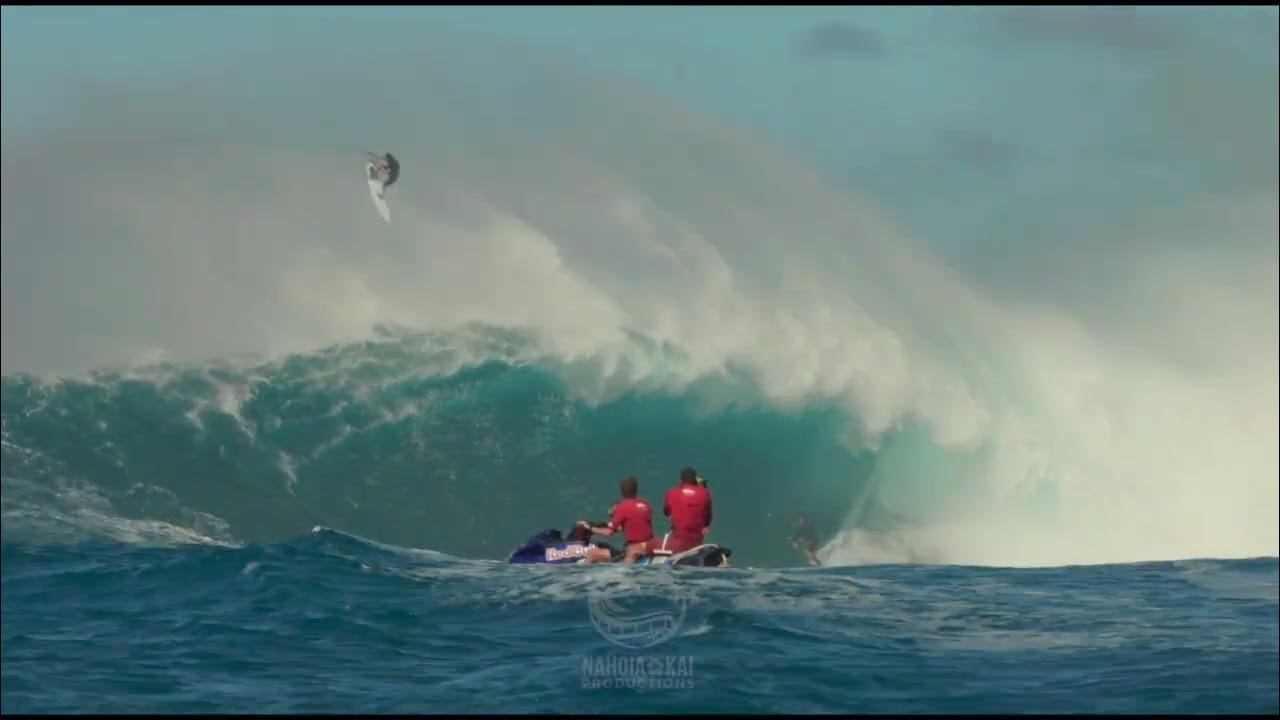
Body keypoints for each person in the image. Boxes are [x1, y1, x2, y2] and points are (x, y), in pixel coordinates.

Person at [579, 475, 655, 564]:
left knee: (591, 554)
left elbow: (608, 532)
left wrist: (591, 528)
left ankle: (589, 577)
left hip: (633, 549)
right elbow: (637, 524)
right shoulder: (646, 504)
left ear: (622, 491)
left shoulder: (622, 507)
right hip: (650, 545)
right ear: (636, 490)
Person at [660, 466, 713, 554]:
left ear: (680, 481)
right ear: (695, 480)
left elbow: (666, 512)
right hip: (697, 542)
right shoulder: (705, 494)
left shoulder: (672, 493)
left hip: (678, 543)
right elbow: (707, 519)